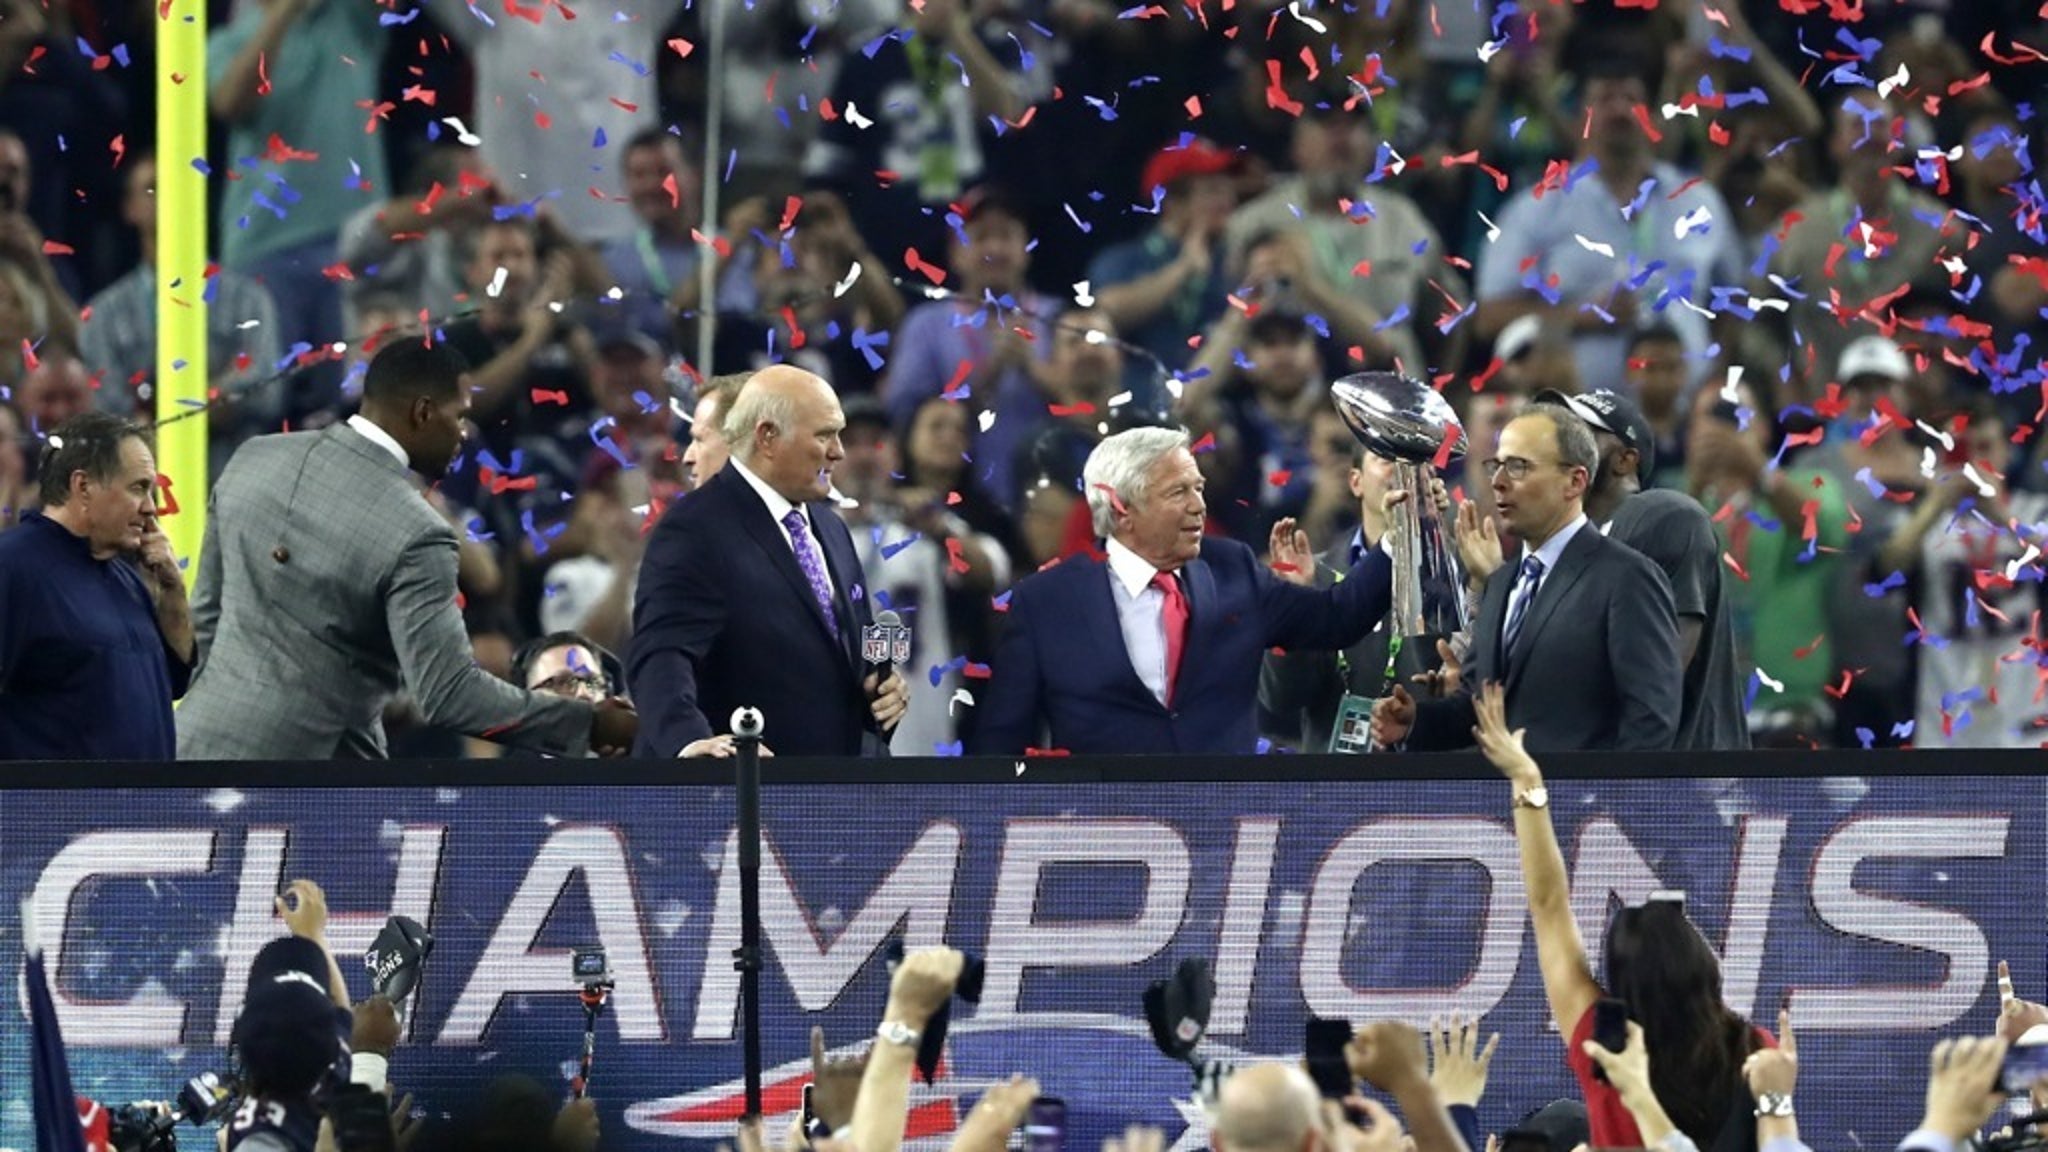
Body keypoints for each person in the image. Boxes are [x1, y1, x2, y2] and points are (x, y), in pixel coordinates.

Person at [177, 340, 637, 759]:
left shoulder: (254, 457)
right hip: (305, 785)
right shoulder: (418, 531)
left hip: (196, 748)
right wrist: (587, 723)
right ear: (422, 412)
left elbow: (206, 620)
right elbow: (450, 693)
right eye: (458, 416)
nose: (464, 433)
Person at [1471, 682, 1774, 1151]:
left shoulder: (1604, 1053)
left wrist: (1527, 782)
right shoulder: (1757, 1051)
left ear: (1622, 987)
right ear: (1704, 967)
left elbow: (1548, 903)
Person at [972, 426, 1394, 755]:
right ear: (1123, 510)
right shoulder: (1047, 603)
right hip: (1103, 837)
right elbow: (1003, 741)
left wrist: (1396, 538)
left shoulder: (1235, 570)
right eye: (1179, 492)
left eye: (1199, 488)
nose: (1199, 506)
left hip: (1227, 836)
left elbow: (1340, 616)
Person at [628, 365, 910, 758]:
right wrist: (689, 742)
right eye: (824, 435)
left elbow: (839, 655)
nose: (838, 451)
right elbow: (662, 652)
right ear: (767, 437)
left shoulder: (830, 527)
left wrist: (881, 690)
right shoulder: (697, 525)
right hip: (739, 796)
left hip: (835, 791)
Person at [1374, 406, 1681, 752]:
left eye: (1519, 467)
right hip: (1504, 804)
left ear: (1575, 481)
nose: (1498, 482)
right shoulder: (1500, 583)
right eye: (1497, 465)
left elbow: (1652, 720)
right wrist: (1416, 722)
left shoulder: (1627, 578)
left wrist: (1617, 804)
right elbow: (1476, 710)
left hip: (1583, 804)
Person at [1532, 389, 1749, 751]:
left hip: (1687, 788)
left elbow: (1654, 685)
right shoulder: (1555, 551)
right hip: (1608, 784)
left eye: (1579, 433)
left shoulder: (1665, 515)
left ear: (1624, 460)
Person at [0, 412, 192, 759]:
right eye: (138, 488)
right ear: (83, 487)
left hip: (145, 810)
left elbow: (175, 684)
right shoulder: (12, 567)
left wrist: (174, 593)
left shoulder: (128, 578)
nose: (151, 508)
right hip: (53, 813)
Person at [227, 880, 354, 1151]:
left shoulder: (261, 1138)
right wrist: (314, 936)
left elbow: (341, 1017)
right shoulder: (335, 1073)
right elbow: (343, 1015)